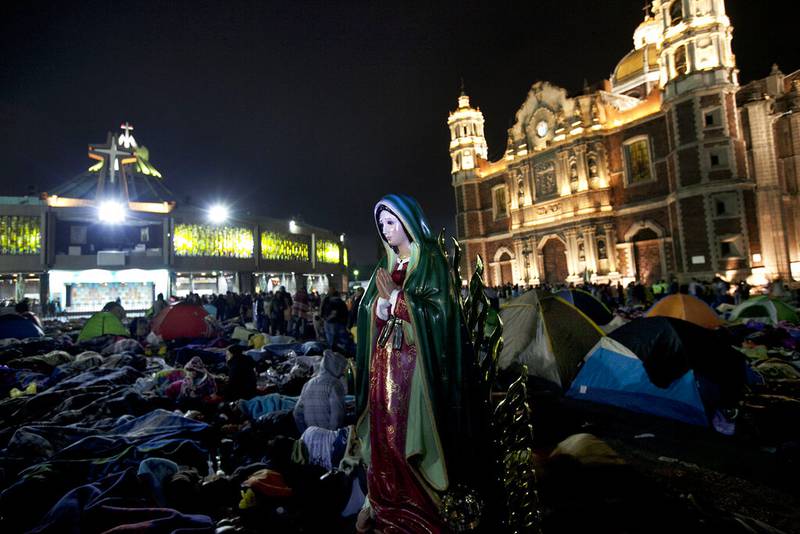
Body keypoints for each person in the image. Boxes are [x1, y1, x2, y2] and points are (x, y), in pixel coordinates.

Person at [355, 194, 479, 532]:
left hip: (418, 370)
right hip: (386, 365)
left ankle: (420, 500)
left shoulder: (430, 263)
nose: (385, 230)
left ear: (408, 223)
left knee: (407, 434)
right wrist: (380, 308)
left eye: (391, 222)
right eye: (381, 224)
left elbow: (440, 314)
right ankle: (386, 497)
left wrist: (396, 299)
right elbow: (368, 311)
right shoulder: (386, 267)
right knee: (384, 432)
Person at [293, 349, 347, 433]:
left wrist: (305, 433)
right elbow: (337, 416)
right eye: (342, 368)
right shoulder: (335, 384)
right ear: (337, 367)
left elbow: (297, 413)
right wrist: (330, 436)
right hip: (328, 435)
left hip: (311, 435)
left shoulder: (308, 383)